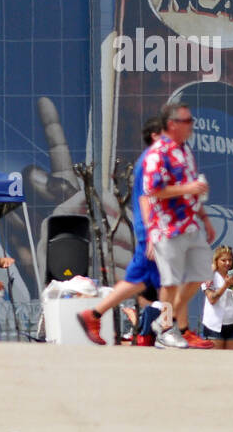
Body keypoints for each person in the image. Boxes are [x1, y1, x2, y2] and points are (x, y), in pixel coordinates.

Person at [78, 118, 164, 345]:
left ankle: (94, 314)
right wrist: (152, 235)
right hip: (152, 235)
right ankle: (171, 329)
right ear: (156, 136)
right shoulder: (151, 161)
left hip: (157, 233)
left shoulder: (159, 160)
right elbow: (147, 198)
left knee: (146, 282)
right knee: (161, 281)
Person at [142, 101, 216, 349]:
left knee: (202, 275)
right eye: (187, 121)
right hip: (167, 227)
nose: (191, 125)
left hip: (191, 224)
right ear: (172, 124)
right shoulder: (158, 153)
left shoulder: (184, 150)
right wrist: (188, 188)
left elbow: (192, 187)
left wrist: (205, 218)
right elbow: (153, 189)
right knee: (170, 282)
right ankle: (165, 329)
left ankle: (166, 319)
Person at [201, 246, 233, 349]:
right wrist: (225, 285)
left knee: (232, 358)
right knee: (216, 357)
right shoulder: (209, 275)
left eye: (230, 260)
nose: (227, 263)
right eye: (223, 260)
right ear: (216, 261)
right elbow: (212, 299)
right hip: (214, 325)